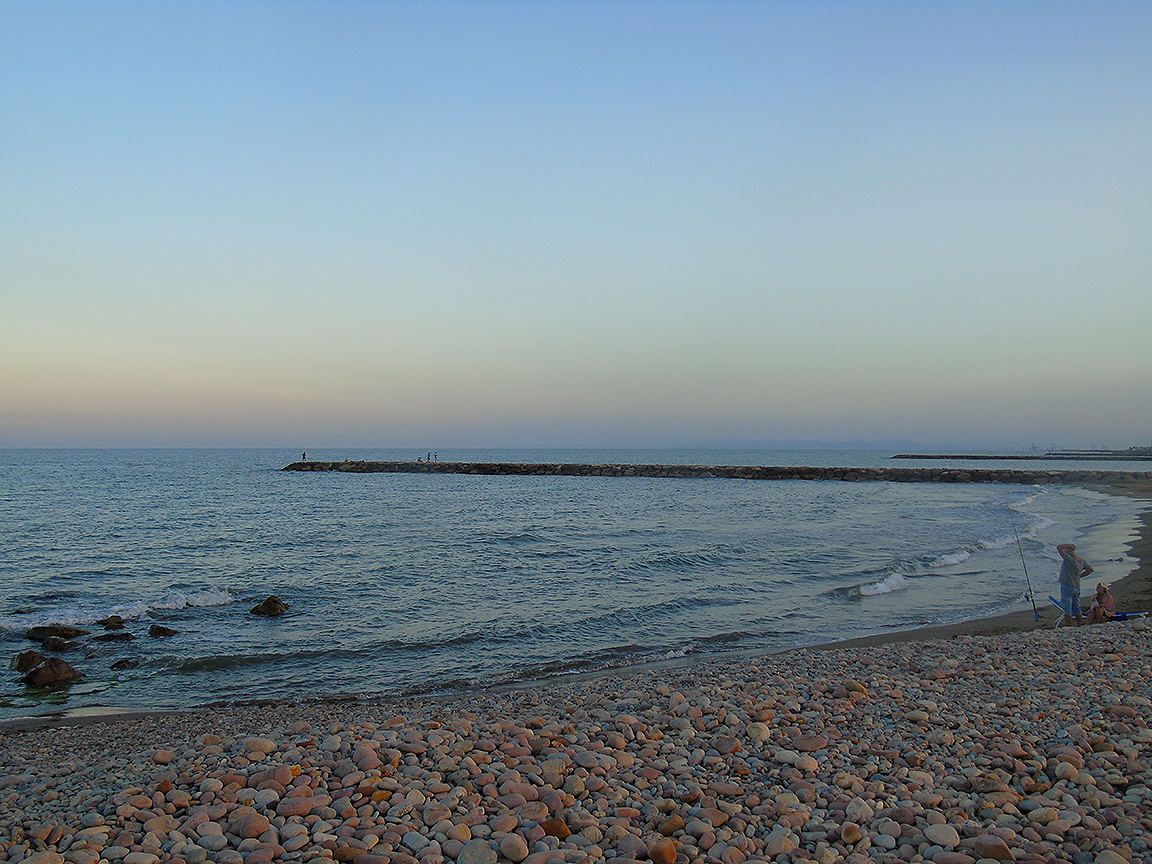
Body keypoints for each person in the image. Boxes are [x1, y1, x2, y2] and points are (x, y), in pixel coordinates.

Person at [1057, 543, 1093, 627]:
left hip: (1067, 585)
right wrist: (1080, 576)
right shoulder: (1081, 561)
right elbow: (1090, 569)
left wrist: (1069, 545)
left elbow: (1059, 547)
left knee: (1067, 608)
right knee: (1077, 607)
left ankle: (1069, 626)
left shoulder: (1069, 559)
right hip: (1076, 586)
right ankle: (1079, 625)